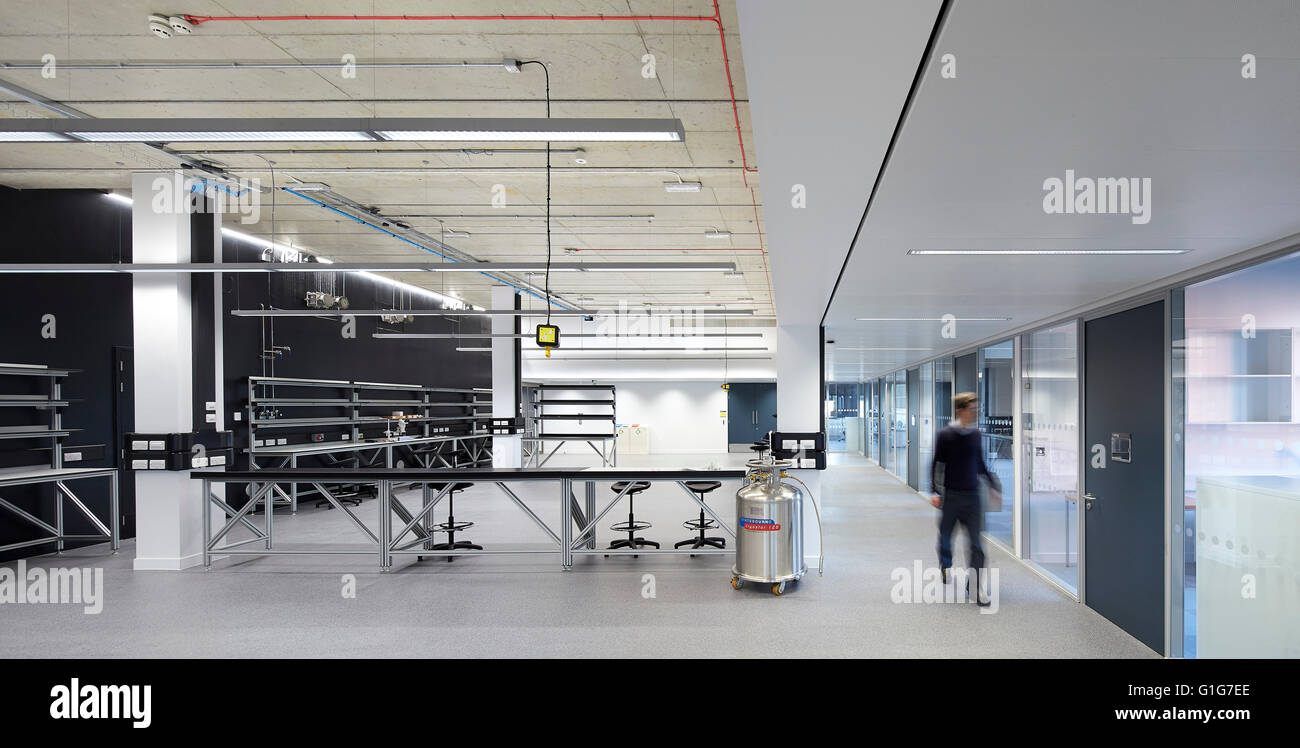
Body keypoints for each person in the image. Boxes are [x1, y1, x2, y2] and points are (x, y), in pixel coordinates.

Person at [930, 392, 999, 606]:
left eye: (976, 408)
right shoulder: (945, 435)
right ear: (960, 410)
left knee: (977, 545)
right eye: (972, 408)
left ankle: (975, 588)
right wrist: (934, 491)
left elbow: (980, 463)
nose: (975, 412)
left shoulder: (976, 435)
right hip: (951, 496)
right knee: (945, 537)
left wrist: (993, 485)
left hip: (973, 497)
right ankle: (945, 562)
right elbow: (936, 463)